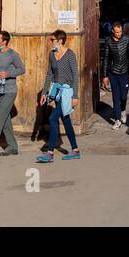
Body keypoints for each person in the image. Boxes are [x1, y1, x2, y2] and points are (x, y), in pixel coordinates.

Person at [37, 30, 81, 163]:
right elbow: (49, 75)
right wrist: (44, 93)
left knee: (52, 118)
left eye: (52, 40)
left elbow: (75, 76)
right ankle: (75, 150)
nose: (50, 42)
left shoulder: (70, 55)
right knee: (66, 120)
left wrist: (75, 95)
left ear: (60, 41)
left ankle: (50, 152)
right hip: (56, 92)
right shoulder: (52, 55)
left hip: (67, 93)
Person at [100, 20, 129, 129]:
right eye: (117, 32)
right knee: (115, 97)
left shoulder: (127, 40)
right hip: (113, 73)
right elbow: (106, 60)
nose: (119, 34)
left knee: (123, 96)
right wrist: (105, 76)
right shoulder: (108, 42)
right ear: (113, 31)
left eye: (120, 32)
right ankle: (117, 119)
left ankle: (123, 110)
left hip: (125, 73)